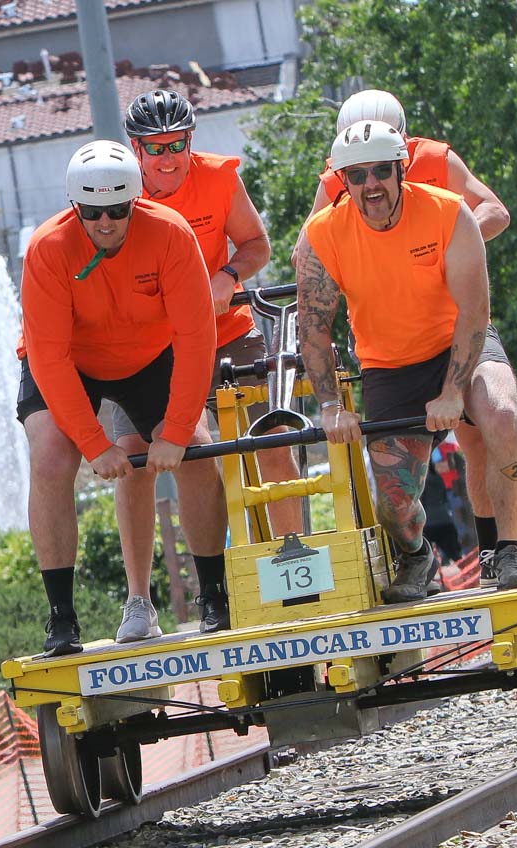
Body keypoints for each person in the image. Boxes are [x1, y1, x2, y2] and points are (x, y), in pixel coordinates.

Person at [296, 119, 517, 602]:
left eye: (381, 171)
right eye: (357, 176)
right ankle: (416, 556)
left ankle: (509, 551)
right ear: (342, 181)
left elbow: (474, 311)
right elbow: (313, 330)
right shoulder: (321, 236)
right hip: (390, 364)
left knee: (502, 414)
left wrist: (452, 391)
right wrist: (329, 406)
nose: (371, 186)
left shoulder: (448, 213)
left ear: (401, 169)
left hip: (459, 343)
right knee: (393, 497)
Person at [16, 139, 227, 656]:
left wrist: (176, 432)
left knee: (197, 452)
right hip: (70, 362)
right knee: (49, 459)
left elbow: (198, 339)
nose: (105, 222)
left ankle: (215, 595)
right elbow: (49, 358)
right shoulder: (47, 248)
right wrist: (93, 444)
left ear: (136, 201)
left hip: (148, 355)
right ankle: (61, 618)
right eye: (91, 212)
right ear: (74, 207)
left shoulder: (171, 236)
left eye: (117, 210)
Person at [110, 88, 303, 640]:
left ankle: (292, 570)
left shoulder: (218, 177)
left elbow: (256, 244)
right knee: (132, 456)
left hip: (227, 333)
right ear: (136, 149)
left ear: (190, 142)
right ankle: (140, 600)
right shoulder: (117, 193)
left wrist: (228, 277)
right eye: (154, 147)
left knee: (272, 438)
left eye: (177, 144)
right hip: (156, 347)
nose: (167, 158)